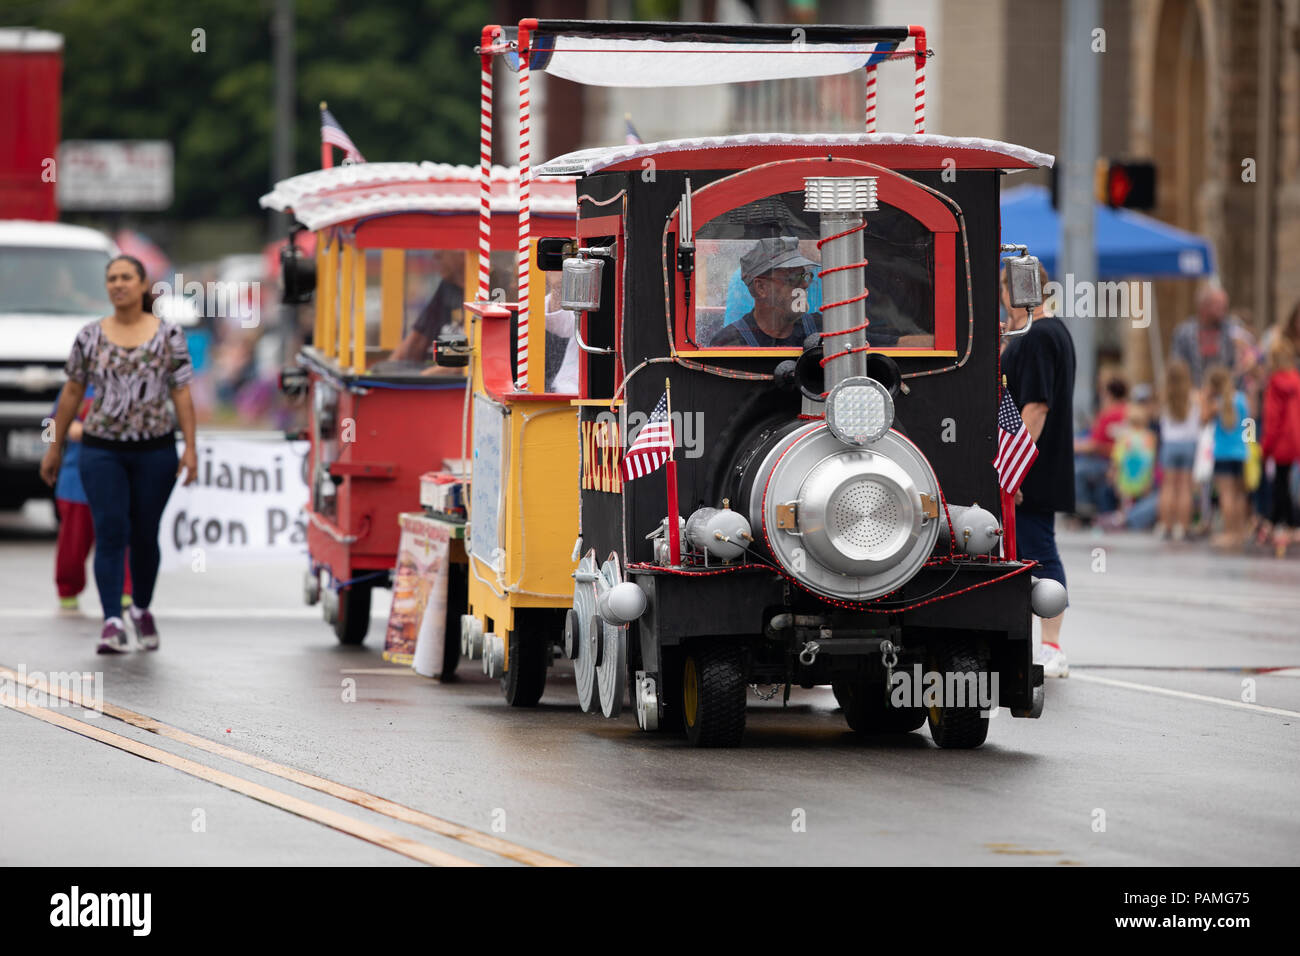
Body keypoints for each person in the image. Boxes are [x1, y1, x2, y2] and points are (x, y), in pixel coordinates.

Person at [39, 255, 198, 653]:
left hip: (154, 451)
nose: (118, 284)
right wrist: (54, 446)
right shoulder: (89, 336)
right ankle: (112, 620)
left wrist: (191, 448)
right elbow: (72, 394)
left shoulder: (169, 335)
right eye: (112, 279)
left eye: (127, 277)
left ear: (144, 285)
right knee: (111, 532)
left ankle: (141, 607)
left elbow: (181, 394)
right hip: (101, 450)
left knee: (144, 536)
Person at [999, 262, 1076, 678]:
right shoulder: (1047, 332)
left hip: (1033, 467)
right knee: (1027, 552)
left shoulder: (1040, 335)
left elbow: (1036, 406)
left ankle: (1051, 645)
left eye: (1003, 287)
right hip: (1040, 463)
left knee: (1040, 553)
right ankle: (1036, 642)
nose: (1000, 295)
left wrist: (1017, 472)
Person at [51, 384, 133, 612]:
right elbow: (46, 424)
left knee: (118, 539)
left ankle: (123, 588)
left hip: (117, 482)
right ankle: (67, 588)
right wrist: (64, 431)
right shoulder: (75, 387)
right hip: (76, 484)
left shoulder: (129, 384)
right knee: (73, 544)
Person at [709, 237, 822, 348]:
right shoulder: (729, 344)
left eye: (805, 275)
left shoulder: (822, 329)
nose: (805, 284)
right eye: (793, 277)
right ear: (761, 287)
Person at [1202, 363, 1250, 552]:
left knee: (1226, 495)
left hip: (1223, 453)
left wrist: (1205, 398)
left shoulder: (1217, 403)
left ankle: (1229, 533)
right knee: (1239, 495)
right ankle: (1239, 532)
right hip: (1241, 452)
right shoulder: (1241, 399)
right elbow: (1249, 423)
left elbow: (1203, 420)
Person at [1169, 285, 1255, 387]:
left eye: (1225, 305)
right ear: (1203, 306)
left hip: (1227, 393)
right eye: (1219, 305)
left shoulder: (1233, 330)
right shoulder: (1184, 333)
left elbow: (1252, 354)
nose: (1224, 309)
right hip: (1194, 394)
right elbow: (1177, 366)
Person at [389, 250, 466, 362]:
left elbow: (469, 362)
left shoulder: (496, 288)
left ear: (464, 251)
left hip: (467, 377)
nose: (436, 255)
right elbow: (417, 341)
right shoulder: (447, 286)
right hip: (444, 374)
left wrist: (425, 375)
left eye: (445, 247)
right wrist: (385, 370)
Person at [1261, 336, 1300, 557]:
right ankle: (1291, 523)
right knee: (1289, 485)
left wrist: (1264, 448)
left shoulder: (1275, 383)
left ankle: (1281, 523)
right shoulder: (1296, 380)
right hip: (1296, 441)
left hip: (1281, 443)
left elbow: (1272, 419)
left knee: (1279, 485)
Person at [1073, 372, 1127, 520]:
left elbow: (1094, 445)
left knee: (1076, 470)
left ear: (1108, 393)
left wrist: (1073, 447)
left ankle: (1083, 511)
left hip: (1106, 461)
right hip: (1121, 461)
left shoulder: (1108, 414)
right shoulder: (1127, 411)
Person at [1156, 358, 1200, 541]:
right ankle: (1184, 526)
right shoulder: (1194, 396)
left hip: (1170, 444)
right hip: (1189, 443)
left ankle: (1166, 525)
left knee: (1168, 487)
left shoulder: (1164, 396)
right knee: (1185, 488)